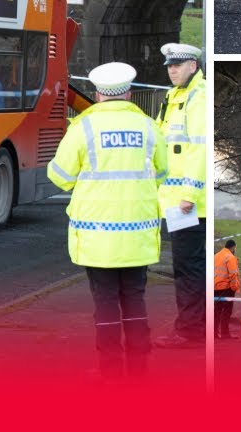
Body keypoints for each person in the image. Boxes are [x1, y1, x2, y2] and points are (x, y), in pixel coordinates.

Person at [48, 61, 167, 380]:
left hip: (96, 236)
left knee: (105, 304)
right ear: (128, 94)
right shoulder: (149, 127)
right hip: (138, 235)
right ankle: (139, 369)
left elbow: (59, 176)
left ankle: (111, 370)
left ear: (98, 94)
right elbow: (163, 172)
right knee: (135, 299)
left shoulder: (83, 127)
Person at [154, 42, 207, 349]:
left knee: (189, 268)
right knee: (185, 267)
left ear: (193, 66)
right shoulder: (175, 97)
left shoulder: (196, 98)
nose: (172, 69)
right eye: (170, 66)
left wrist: (188, 194)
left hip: (188, 203)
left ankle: (190, 331)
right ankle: (191, 327)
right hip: (176, 202)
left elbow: (199, 148)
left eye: (178, 64)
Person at [214, 239, 241, 339]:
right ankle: (225, 334)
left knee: (216, 311)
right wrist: (234, 287)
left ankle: (214, 333)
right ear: (233, 247)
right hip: (226, 288)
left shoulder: (216, 256)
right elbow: (233, 274)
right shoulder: (230, 257)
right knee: (227, 311)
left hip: (215, 287)